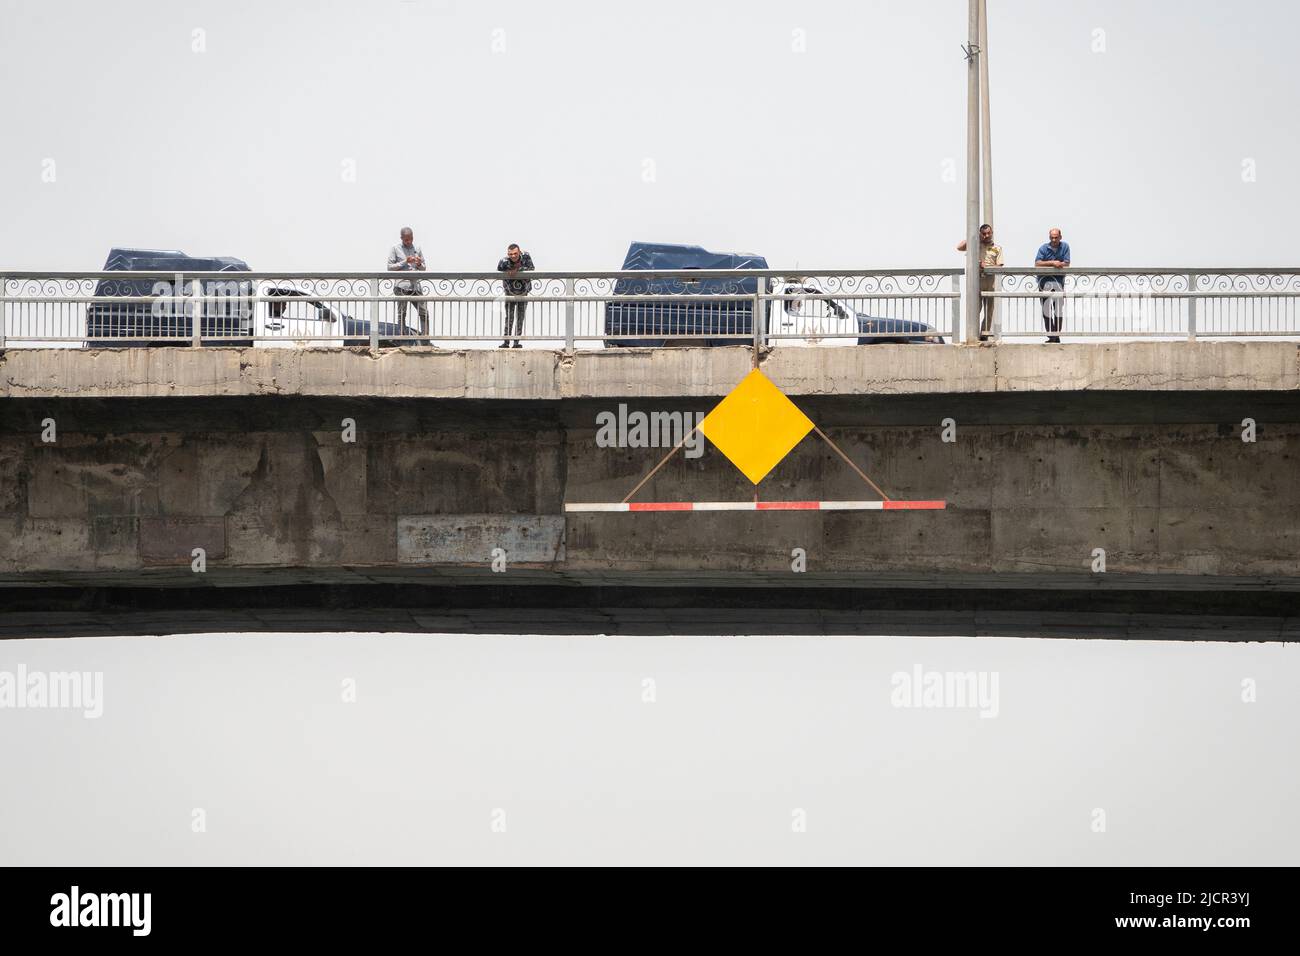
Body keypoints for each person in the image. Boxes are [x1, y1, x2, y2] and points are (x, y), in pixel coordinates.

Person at [956, 224, 1002, 341]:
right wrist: (973, 237)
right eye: (984, 233)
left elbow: (1000, 266)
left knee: (989, 310)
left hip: (990, 282)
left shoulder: (997, 248)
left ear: (992, 233)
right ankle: (973, 334)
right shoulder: (975, 245)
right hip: (976, 282)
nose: (986, 236)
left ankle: (984, 335)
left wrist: (986, 267)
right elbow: (959, 247)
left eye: (988, 233)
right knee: (975, 308)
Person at [387, 227, 428, 338]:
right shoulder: (395, 249)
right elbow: (389, 267)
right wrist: (405, 261)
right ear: (401, 238)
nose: (409, 242)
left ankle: (425, 338)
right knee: (402, 313)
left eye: (410, 239)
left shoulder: (417, 248)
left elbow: (424, 268)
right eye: (406, 240)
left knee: (424, 312)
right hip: (401, 286)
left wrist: (419, 263)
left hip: (415, 286)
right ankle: (402, 338)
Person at [1034, 227, 1071, 343]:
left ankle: (1056, 335)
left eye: (1056, 237)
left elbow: (1067, 263)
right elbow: (1037, 263)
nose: (1054, 240)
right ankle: (1051, 335)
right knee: (1046, 310)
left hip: (1058, 283)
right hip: (1044, 283)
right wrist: (1053, 263)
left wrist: (1060, 264)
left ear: (1060, 237)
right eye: (1052, 237)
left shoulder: (1065, 246)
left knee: (1058, 310)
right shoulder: (1043, 248)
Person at [497, 243, 535, 348]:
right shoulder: (504, 261)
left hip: (523, 291)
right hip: (510, 292)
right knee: (509, 316)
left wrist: (517, 270)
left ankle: (516, 342)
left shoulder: (526, 256)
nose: (513, 256)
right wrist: (508, 270)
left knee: (520, 317)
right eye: (511, 254)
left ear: (519, 252)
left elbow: (531, 268)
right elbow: (499, 268)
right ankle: (506, 341)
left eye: (515, 253)